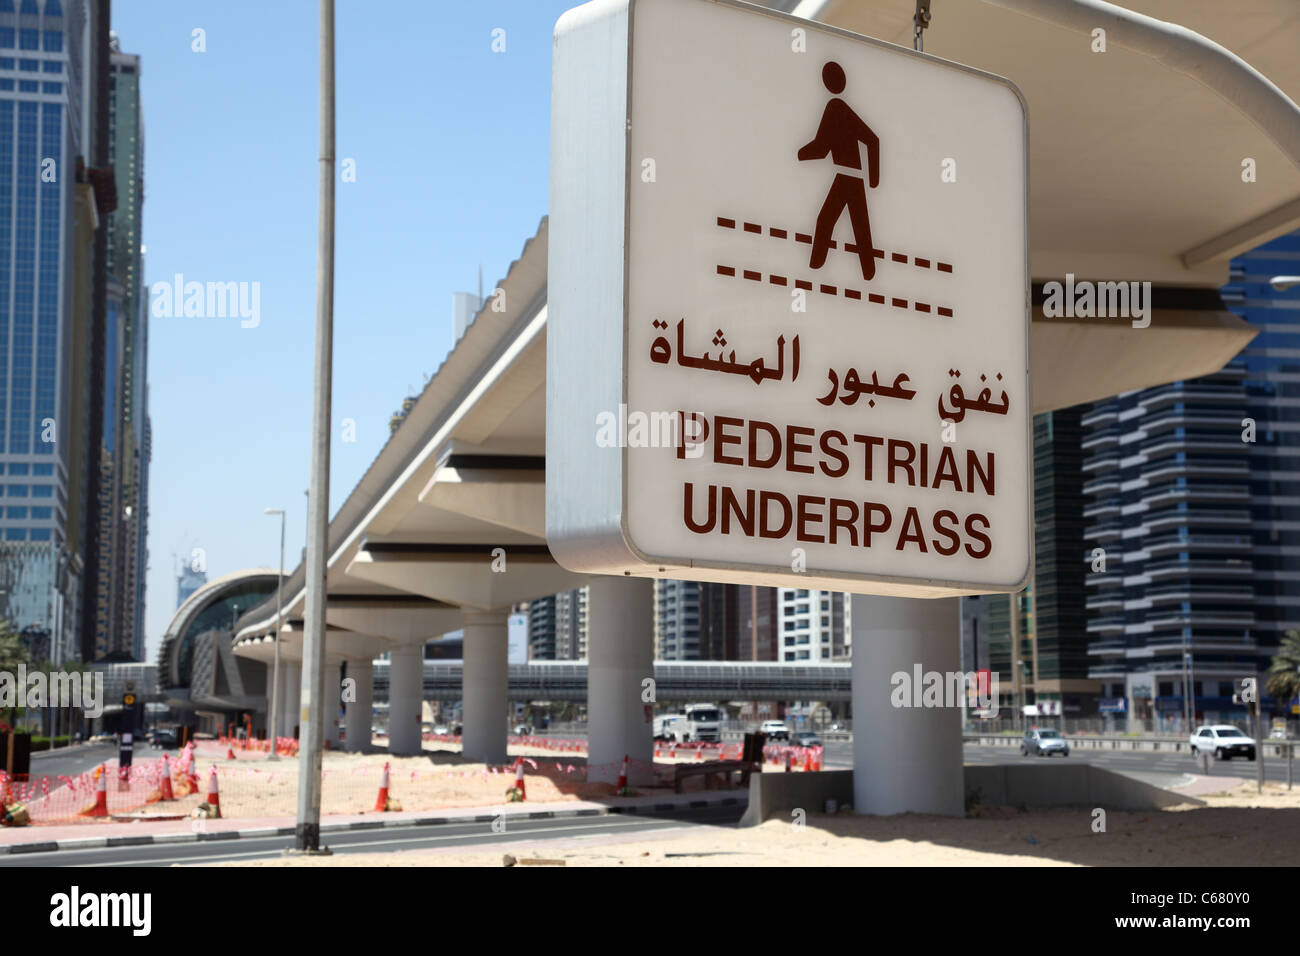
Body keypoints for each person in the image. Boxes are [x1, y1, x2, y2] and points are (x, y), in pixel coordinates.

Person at [797, 61, 880, 281]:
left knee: (826, 220)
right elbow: (873, 140)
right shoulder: (843, 109)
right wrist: (872, 179)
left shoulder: (835, 108)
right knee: (860, 228)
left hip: (845, 177)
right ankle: (869, 273)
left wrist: (800, 154)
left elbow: (822, 148)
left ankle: (814, 267)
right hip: (854, 179)